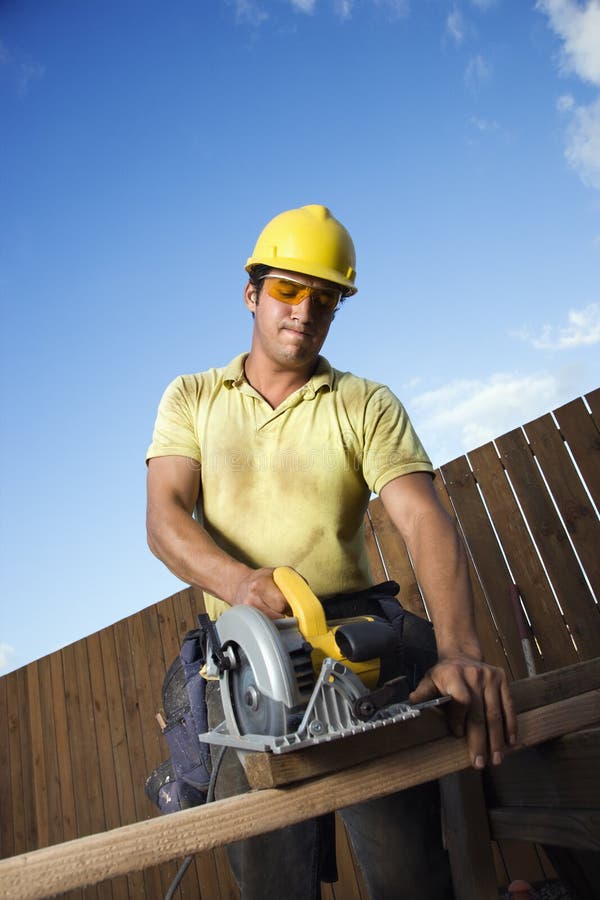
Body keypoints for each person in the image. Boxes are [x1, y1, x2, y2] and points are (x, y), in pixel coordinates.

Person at [146, 203, 517, 900]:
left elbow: (423, 516)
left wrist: (460, 649)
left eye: (325, 298)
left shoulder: (363, 403)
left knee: (406, 866)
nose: (304, 311)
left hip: (355, 659)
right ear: (252, 293)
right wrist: (242, 583)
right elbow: (164, 517)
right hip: (246, 662)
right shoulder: (193, 397)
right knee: (268, 879)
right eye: (287, 289)